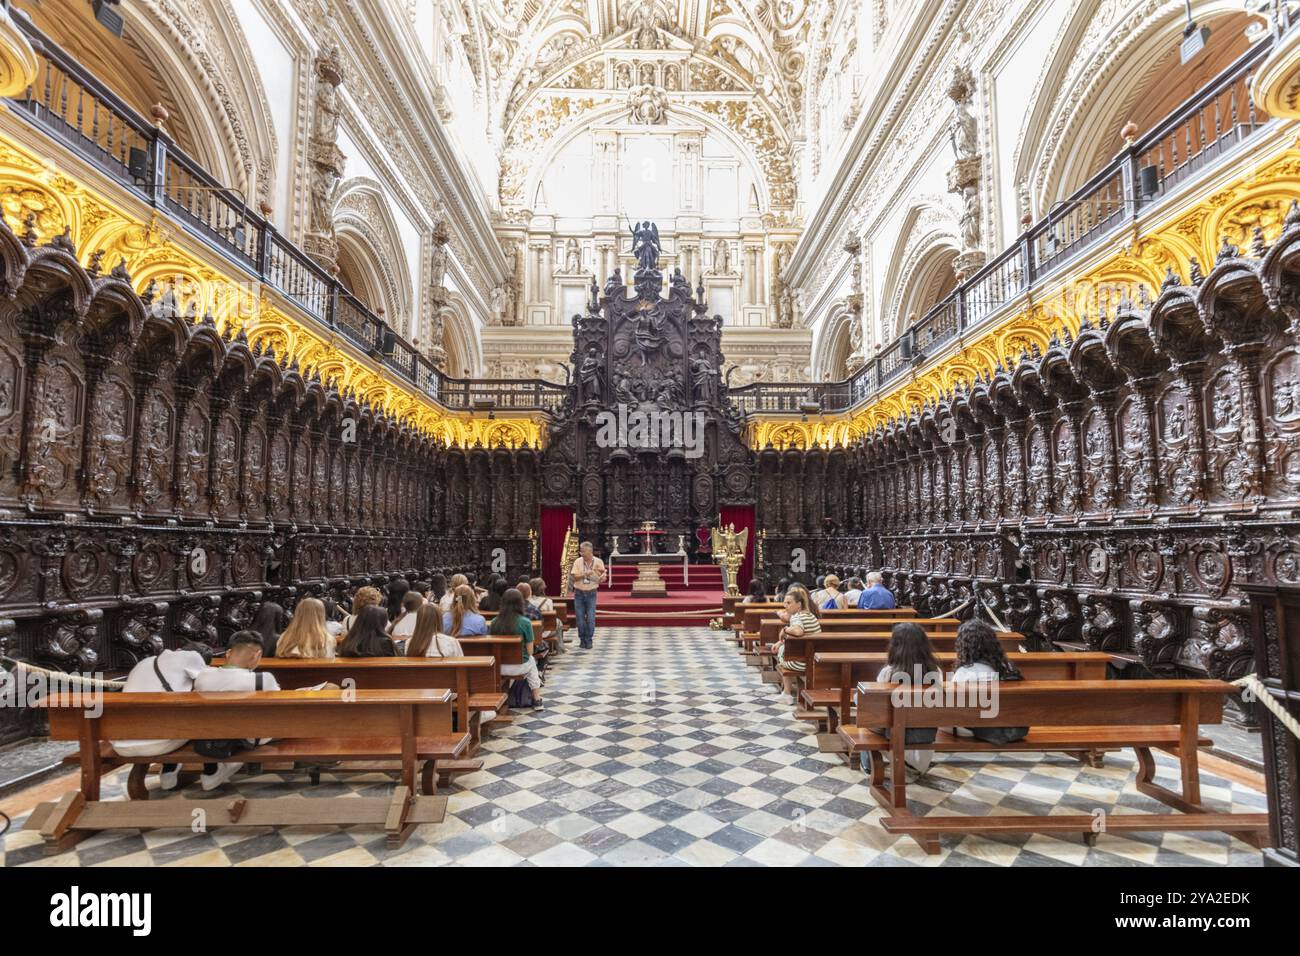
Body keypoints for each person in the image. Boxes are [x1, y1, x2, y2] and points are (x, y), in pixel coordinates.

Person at [109, 647, 210, 791]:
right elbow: (209, 682)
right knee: (204, 716)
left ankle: (170, 768)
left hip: (121, 742)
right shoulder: (192, 656)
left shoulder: (144, 662)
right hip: (158, 742)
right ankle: (212, 769)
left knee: (162, 718)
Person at [193, 630, 282, 790]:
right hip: (248, 737)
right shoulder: (263, 679)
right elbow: (280, 708)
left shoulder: (202, 676)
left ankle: (214, 768)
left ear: (228, 653)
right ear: (257, 655)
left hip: (209, 734)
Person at [862, 622, 944, 778]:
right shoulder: (936, 672)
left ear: (895, 645)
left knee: (865, 712)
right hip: (925, 744)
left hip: (896, 743)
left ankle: (868, 762)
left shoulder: (888, 673)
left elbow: (875, 709)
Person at [951, 618, 1029, 743]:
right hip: (1013, 726)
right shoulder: (1007, 667)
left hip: (982, 727)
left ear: (963, 645)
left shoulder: (965, 672)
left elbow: (955, 706)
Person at [490, 587, 544, 710]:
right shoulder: (525, 622)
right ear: (520, 603)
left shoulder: (494, 622)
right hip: (519, 666)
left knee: (529, 661)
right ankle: (537, 699)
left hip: (498, 667)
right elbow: (530, 651)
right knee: (532, 662)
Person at [773, 585, 820, 705]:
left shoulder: (796, 617)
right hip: (814, 660)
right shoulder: (810, 615)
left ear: (799, 604)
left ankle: (787, 693)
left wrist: (785, 629)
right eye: (784, 603)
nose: (785, 606)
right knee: (784, 648)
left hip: (801, 663)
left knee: (783, 652)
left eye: (789, 603)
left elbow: (798, 631)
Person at [571, 540, 605, 649]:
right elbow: (574, 577)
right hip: (579, 593)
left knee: (591, 618)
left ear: (590, 551)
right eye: (581, 551)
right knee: (580, 619)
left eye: (583, 551)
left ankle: (589, 640)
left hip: (591, 593)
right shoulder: (577, 561)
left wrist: (602, 578)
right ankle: (582, 639)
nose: (581, 553)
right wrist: (584, 574)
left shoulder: (599, 562)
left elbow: (603, 577)